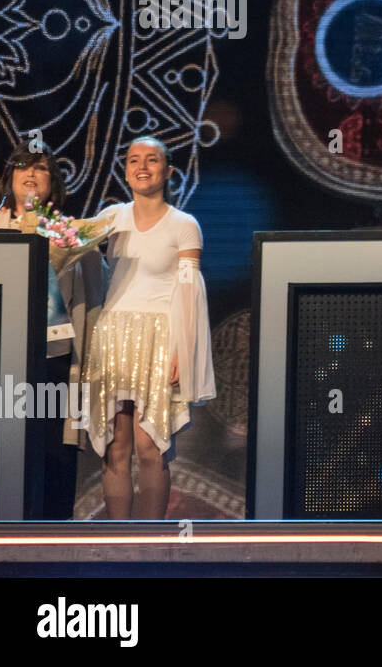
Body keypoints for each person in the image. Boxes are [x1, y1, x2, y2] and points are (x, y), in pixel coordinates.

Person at [82, 137, 215, 519]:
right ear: (125, 170)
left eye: (152, 160)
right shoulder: (112, 218)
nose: (142, 166)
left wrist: (183, 350)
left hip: (160, 340)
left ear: (168, 170)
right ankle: (117, 543)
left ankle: (150, 543)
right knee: (115, 447)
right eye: (133, 160)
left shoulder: (183, 224)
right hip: (112, 337)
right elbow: (66, 239)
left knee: (149, 447)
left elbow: (191, 292)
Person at [0, 143, 103, 519]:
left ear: (53, 185)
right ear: (10, 178)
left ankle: (55, 533)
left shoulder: (70, 232)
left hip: (54, 357)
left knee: (54, 445)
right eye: (23, 166)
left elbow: (95, 296)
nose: (32, 173)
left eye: (41, 168)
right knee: (3, 441)